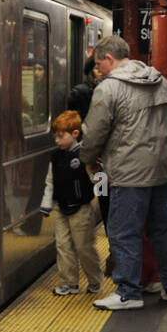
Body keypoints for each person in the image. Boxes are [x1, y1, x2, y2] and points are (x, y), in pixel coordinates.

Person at [80, 35, 167, 310]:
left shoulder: (109, 88)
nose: (98, 69)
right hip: (160, 169)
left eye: (99, 63)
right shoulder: (161, 82)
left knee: (123, 231)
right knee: (162, 230)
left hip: (129, 171)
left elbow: (94, 132)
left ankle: (128, 292)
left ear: (109, 59)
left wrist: (88, 159)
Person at [40, 110, 103, 296]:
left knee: (84, 246)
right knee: (63, 246)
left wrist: (98, 177)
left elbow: (95, 178)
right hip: (60, 207)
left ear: (75, 134)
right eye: (55, 137)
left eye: (61, 137)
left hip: (81, 208)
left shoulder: (85, 155)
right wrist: (46, 204)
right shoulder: (56, 157)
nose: (57, 141)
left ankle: (94, 279)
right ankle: (69, 282)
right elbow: (50, 181)